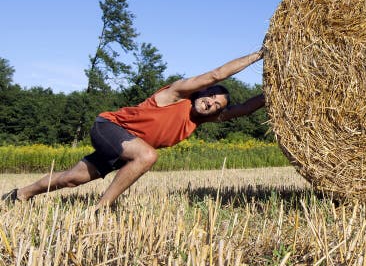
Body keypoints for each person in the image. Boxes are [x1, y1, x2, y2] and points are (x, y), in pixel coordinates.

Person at [3, 50, 265, 207]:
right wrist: (259, 55)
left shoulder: (199, 119)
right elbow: (216, 74)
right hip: (109, 127)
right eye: (211, 97)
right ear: (203, 91)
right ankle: (103, 207)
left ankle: (19, 195)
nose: (211, 104)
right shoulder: (177, 93)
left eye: (217, 106)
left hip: (126, 147)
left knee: (71, 179)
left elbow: (243, 110)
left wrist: (276, 88)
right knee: (147, 156)